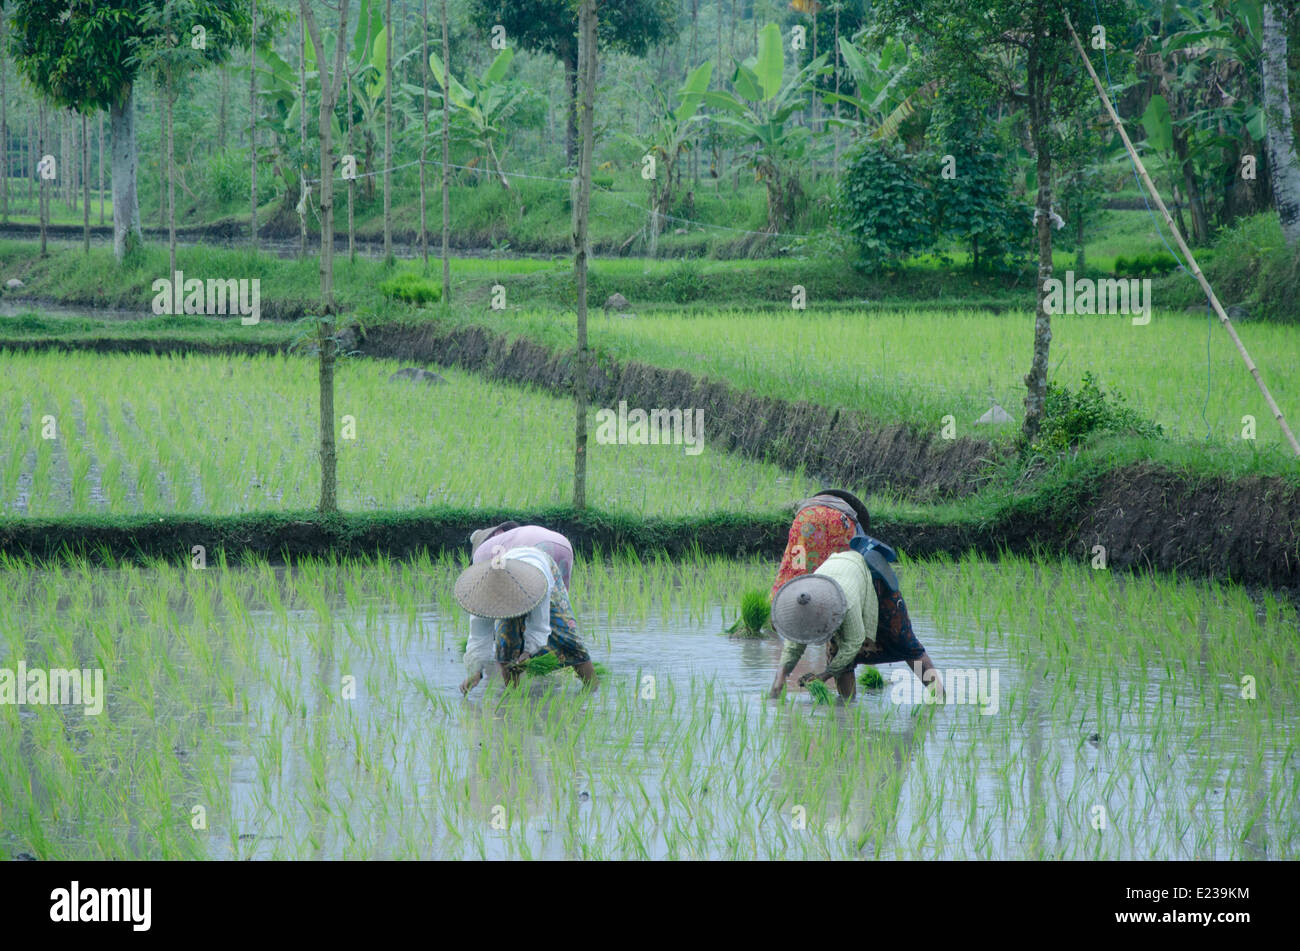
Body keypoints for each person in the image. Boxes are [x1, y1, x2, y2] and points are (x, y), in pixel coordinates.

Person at [767, 548, 943, 701]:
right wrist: (780, 677)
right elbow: (794, 643)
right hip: (839, 577)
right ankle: (847, 707)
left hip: (874, 581)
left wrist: (824, 675)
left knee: (904, 642)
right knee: (836, 651)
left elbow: (854, 642)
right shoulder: (803, 604)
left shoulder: (846, 603)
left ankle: (939, 695)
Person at [455, 545, 597, 695]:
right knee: (505, 643)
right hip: (513, 571)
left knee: (567, 635)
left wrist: (528, 652)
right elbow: (478, 636)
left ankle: (592, 688)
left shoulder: (538, 583)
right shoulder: (482, 595)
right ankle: (513, 698)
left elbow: (539, 626)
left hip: (540, 568)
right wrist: (475, 671)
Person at [770, 488, 873, 600]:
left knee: (796, 566)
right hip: (839, 522)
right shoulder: (851, 517)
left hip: (806, 517)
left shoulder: (814, 503)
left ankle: (784, 604)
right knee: (840, 569)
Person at [470, 522, 574, 590]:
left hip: (537, 546)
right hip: (564, 544)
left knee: (531, 602)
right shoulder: (510, 536)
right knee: (560, 598)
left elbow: (485, 591)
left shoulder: (480, 552)